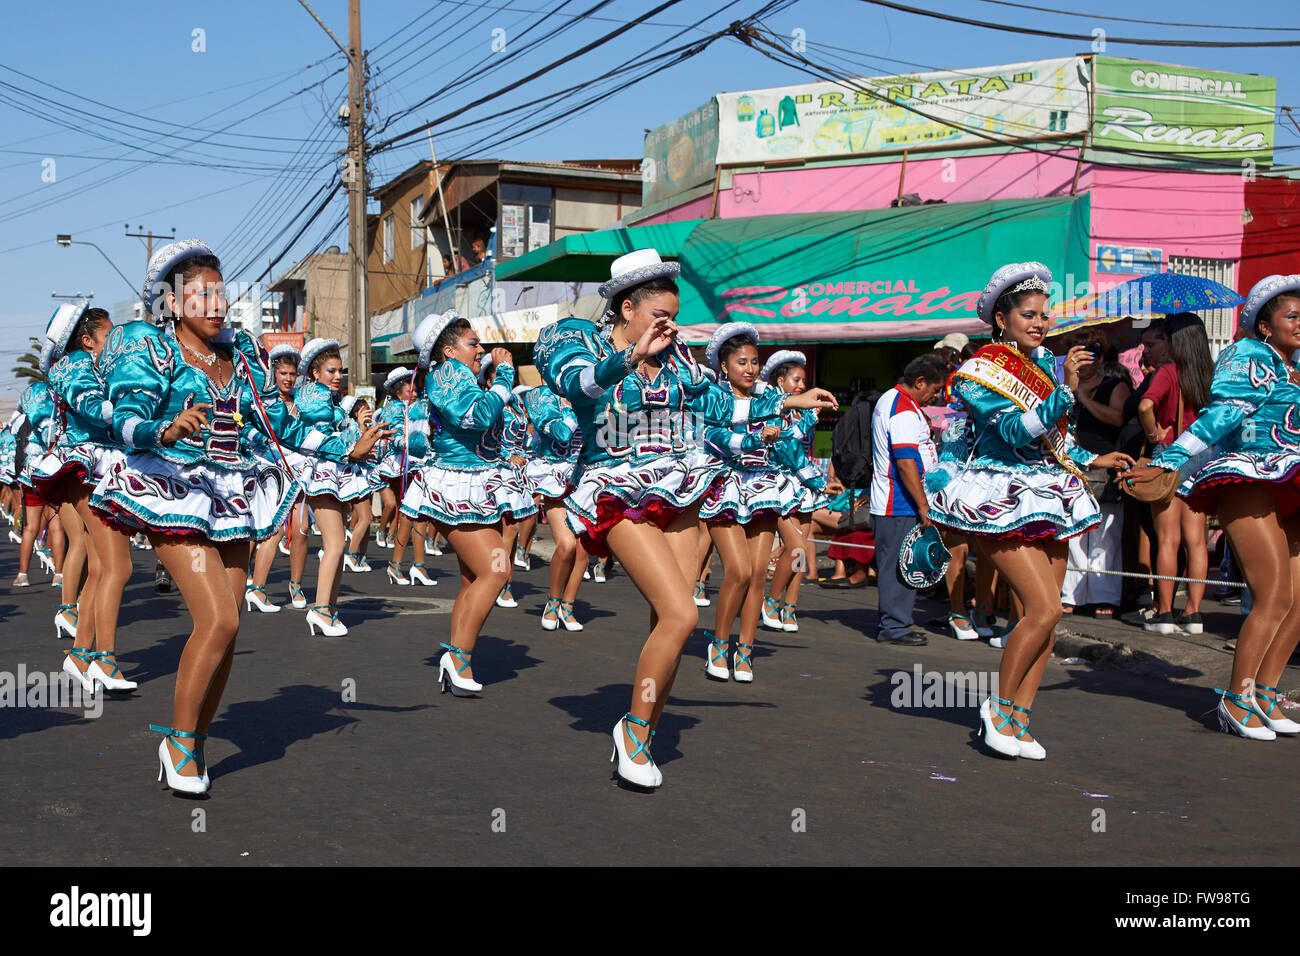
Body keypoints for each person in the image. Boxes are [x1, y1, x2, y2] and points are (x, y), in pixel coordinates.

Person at [93, 239, 389, 794]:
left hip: (231, 493)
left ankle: (195, 740)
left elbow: (279, 427)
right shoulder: (148, 347)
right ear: (173, 302)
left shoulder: (244, 352)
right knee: (220, 621)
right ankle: (177, 741)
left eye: (221, 293)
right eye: (201, 295)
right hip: (171, 486)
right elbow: (125, 419)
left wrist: (344, 447)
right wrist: (166, 427)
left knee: (228, 628)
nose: (215, 304)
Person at [534, 249, 835, 787]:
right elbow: (578, 387)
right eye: (659, 316)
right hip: (615, 489)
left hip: (677, 487)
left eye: (674, 316)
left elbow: (719, 409)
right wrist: (627, 358)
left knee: (666, 620)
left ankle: (643, 729)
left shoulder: (677, 361)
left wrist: (791, 404)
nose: (670, 326)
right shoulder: (581, 341)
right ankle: (632, 730)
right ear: (627, 309)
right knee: (681, 615)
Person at [928, 263, 1133, 759]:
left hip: (1051, 491)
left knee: (1049, 614)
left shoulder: (1040, 366)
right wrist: (1065, 388)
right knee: (1041, 608)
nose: (1040, 322)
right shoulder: (981, 369)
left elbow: (1054, 439)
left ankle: (1020, 717)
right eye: (1028, 314)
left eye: (1044, 314)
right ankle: (998, 708)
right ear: (1001, 318)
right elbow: (1016, 432)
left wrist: (1091, 457)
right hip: (999, 494)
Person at [1128, 275, 1300, 739]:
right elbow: (1219, 415)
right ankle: (1235, 699)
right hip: (1250, 476)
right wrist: (1169, 459)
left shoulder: (1294, 364)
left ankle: (1265, 694)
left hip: (1293, 482)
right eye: (1293, 315)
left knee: (1298, 604)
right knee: (1273, 597)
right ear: (1264, 324)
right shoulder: (1248, 356)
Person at [399, 310, 536, 696]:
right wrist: (505, 376)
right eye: (472, 343)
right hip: (456, 486)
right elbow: (475, 416)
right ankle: (457, 656)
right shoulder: (446, 375)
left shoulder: (459, 377)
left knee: (476, 578)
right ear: (448, 350)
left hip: (476, 484)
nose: (481, 350)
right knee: (495, 571)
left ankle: (459, 659)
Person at [30, 302, 137, 693]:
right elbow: (92, 407)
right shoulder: (75, 365)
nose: (116, 341)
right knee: (118, 567)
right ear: (88, 338)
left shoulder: (94, 366)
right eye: (109, 334)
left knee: (101, 567)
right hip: (90, 469)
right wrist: (134, 413)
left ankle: (80, 655)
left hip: (99, 469)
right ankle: (104, 660)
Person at [698, 322, 799, 683]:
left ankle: (746, 649)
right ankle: (719, 643)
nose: (751, 369)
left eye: (755, 362)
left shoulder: (768, 397)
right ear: (724, 366)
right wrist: (757, 436)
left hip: (764, 486)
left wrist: (784, 431)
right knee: (738, 572)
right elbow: (715, 436)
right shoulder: (712, 396)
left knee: (757, 575)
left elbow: (786, 432)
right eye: (742, 362)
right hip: (724, 486)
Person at [288, 338, 392, 635]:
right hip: (322, 474)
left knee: (338, 543)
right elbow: (321, 438)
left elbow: (343, 438)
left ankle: (329, 608)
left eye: (339, 371)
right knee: (335, 543)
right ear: (315, 373)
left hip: (336, 473)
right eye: (331, 371)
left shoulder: (327, 399)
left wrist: (365, 437)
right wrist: (353, 446)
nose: (337, 376)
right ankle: (320, 609)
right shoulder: (313, 396)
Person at [1137, 313, 1212, 634]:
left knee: (1167, 539)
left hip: (1170, 455)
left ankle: (1165, 613)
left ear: (1175, 341)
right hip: (1204, 457)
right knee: (1196, 542)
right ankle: (1193, 613)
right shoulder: (1212, 373)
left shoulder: (1169, 371)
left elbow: (1144, 407)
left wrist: (1155, 435)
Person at [867, 354, 947, 647]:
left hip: (896, 499)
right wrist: (923, 505)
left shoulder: (894, 400)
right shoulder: (902, 409)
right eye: (935, 389)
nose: (935, 396)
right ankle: (894, 627)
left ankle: (896, 621)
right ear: (920, 382)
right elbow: (905, 462)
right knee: (900, 566)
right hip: (897, 501)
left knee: (899, 564)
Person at [1060, 328, 1132, 617]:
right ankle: (1072, 595)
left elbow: (1118, 418)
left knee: (1106, 536)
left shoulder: (1115, 386)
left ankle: (1105, 596)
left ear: (1100, 358)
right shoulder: (1064, 386)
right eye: (1074, 356)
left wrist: (1085, 399)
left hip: (1108, 465)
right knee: (1073, 534)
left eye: (1085, 356)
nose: (1080, 362)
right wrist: (1070, 388)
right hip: (1072, 465)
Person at [522, 382, 588, 630]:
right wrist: (575, 407)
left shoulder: (591, 391)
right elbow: (560, 433)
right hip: (554, 477)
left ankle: (567, 606)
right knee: (567, 544)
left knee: (584, 550)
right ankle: (553, 601)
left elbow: (610, 431)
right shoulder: (539, 395)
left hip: (587, 477)